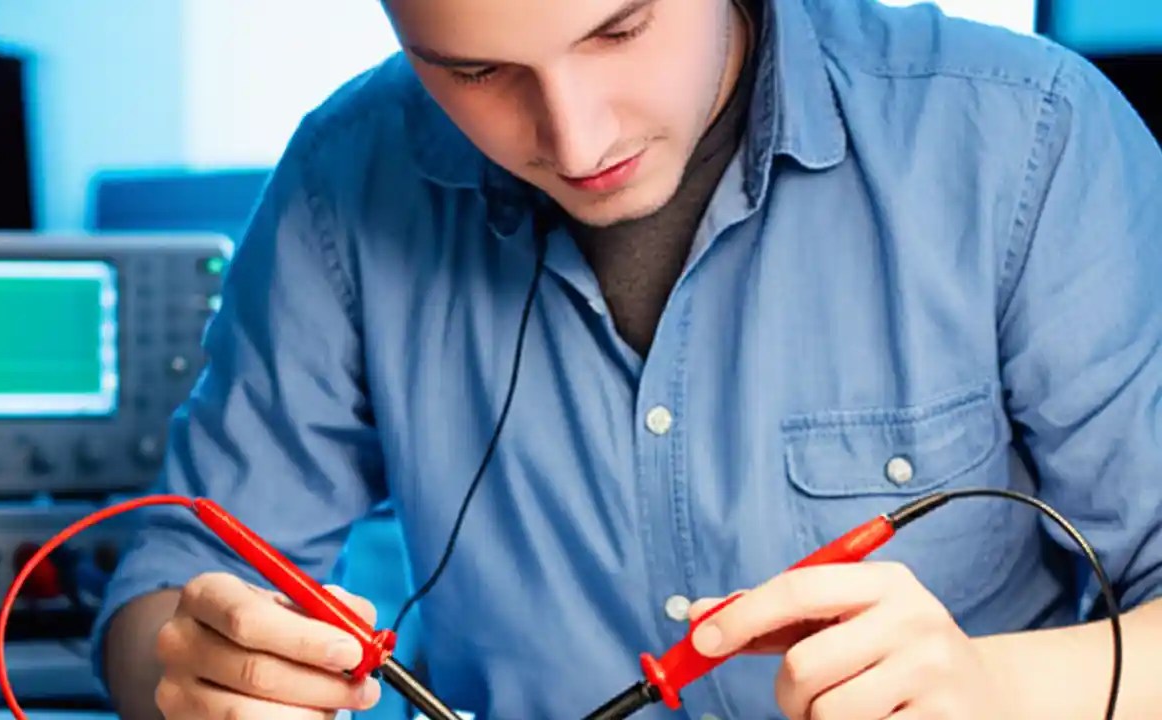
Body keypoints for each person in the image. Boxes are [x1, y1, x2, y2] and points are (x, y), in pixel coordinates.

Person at [94, 0, 1162, 717]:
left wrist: (994, 688)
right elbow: (160, 589)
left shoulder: (1029, 140)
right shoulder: (343, 180)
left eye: (617, 29)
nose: (572, 139)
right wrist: (192, 674)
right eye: (473, 69)